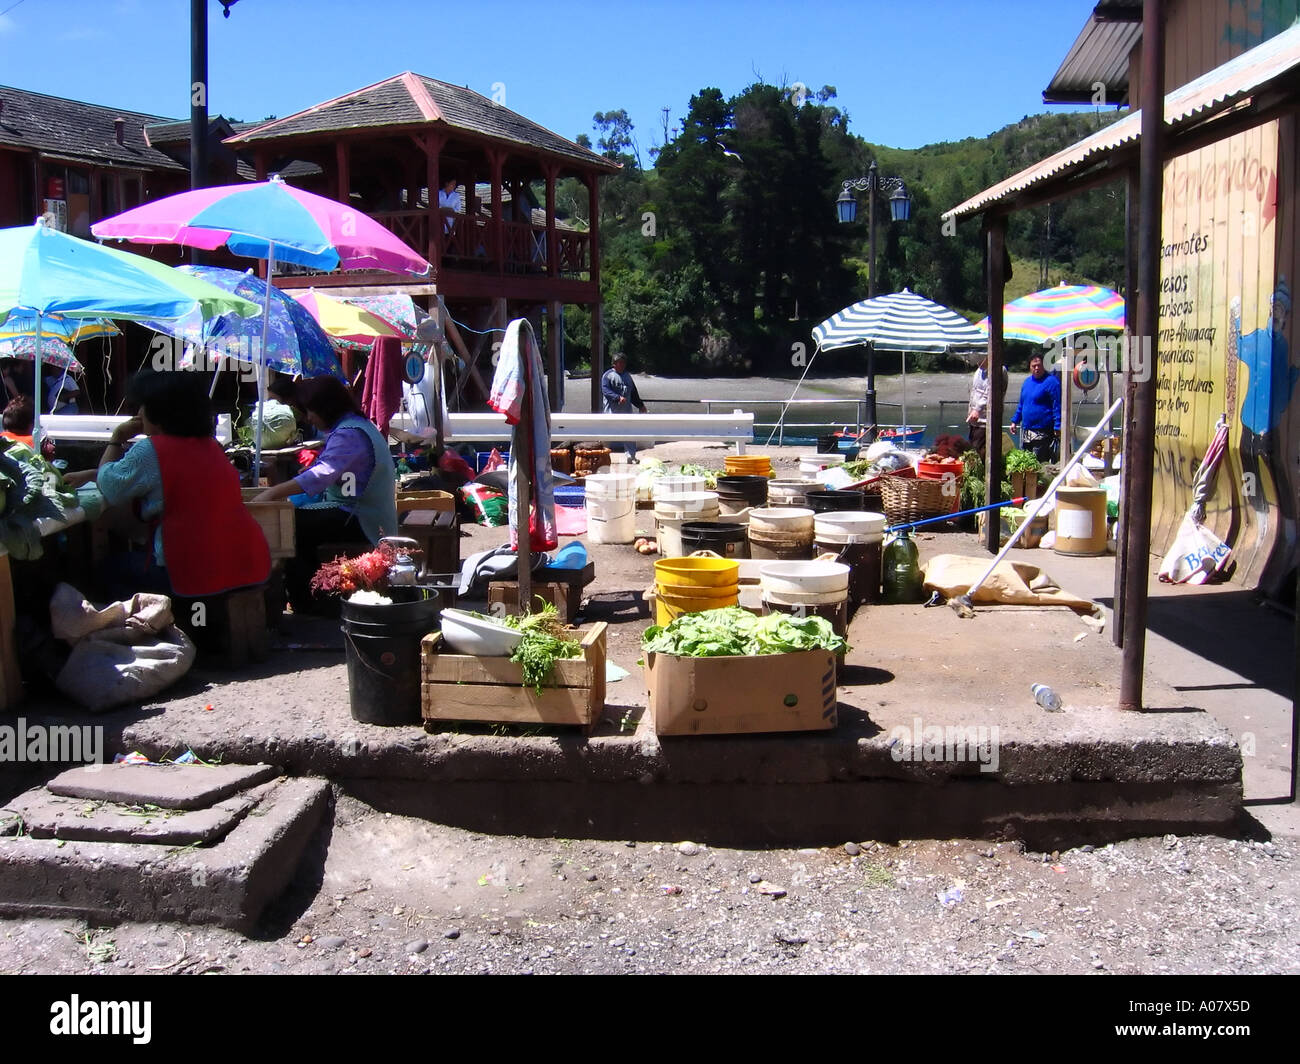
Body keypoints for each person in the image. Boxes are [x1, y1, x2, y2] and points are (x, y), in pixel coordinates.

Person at [94, 370, 271, 600]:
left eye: (143, 406)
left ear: (158, 412)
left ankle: (149, 630)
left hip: (193, 570)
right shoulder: (211, 446)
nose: (138, 414)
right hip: (247, 562)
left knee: (107, 570)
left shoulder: (150, 450)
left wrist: (117, 438)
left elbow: (108, 486)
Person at [253, 376, 399, 611]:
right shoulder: (354, 425)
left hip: (362, 517)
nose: (308, 417)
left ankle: (307, 600)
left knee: (291, 526)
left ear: (326, 408)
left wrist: (272, 493)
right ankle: (311, 594)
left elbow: (321, 476)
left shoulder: (349, 433)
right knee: (296, 518)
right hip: (357, 509)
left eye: (311, 411)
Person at [1009, 354, 1062, 463]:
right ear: (1030, 367)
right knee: (1026, 462)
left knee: (1039, 463)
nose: (1036, 368)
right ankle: (1026, 480)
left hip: (1043, 432)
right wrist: (1015, 421)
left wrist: (1058, 426)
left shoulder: (1052, 382)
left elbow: (1057, 405)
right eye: (1034, 366)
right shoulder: (1027, 382)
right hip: (1026, 431)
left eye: (1039, 365)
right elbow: (1022, 404)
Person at [601, 354, 647, 462]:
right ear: (614, 364)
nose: (622, 365)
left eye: (623, 362)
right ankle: (602, 455)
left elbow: (633, 393)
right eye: (619, 362)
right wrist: (617, 398)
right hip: (611, 412)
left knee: (629, 433)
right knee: (607, 435)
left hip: (626, 412)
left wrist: (640, 405)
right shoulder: (607, 376)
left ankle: (631, 456)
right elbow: (605, 390)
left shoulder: (628, 376)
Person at [966, 356, 1008, 456]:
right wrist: (971, 411)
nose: (978, 362)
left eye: (980, 359)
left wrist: (977, 409)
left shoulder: (999, 370)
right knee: (972, 449)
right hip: (974, 420)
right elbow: (975, 392)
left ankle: (985, 470)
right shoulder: (979, 370)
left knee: (981, 451)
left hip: (986, 421)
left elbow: (991, 393)